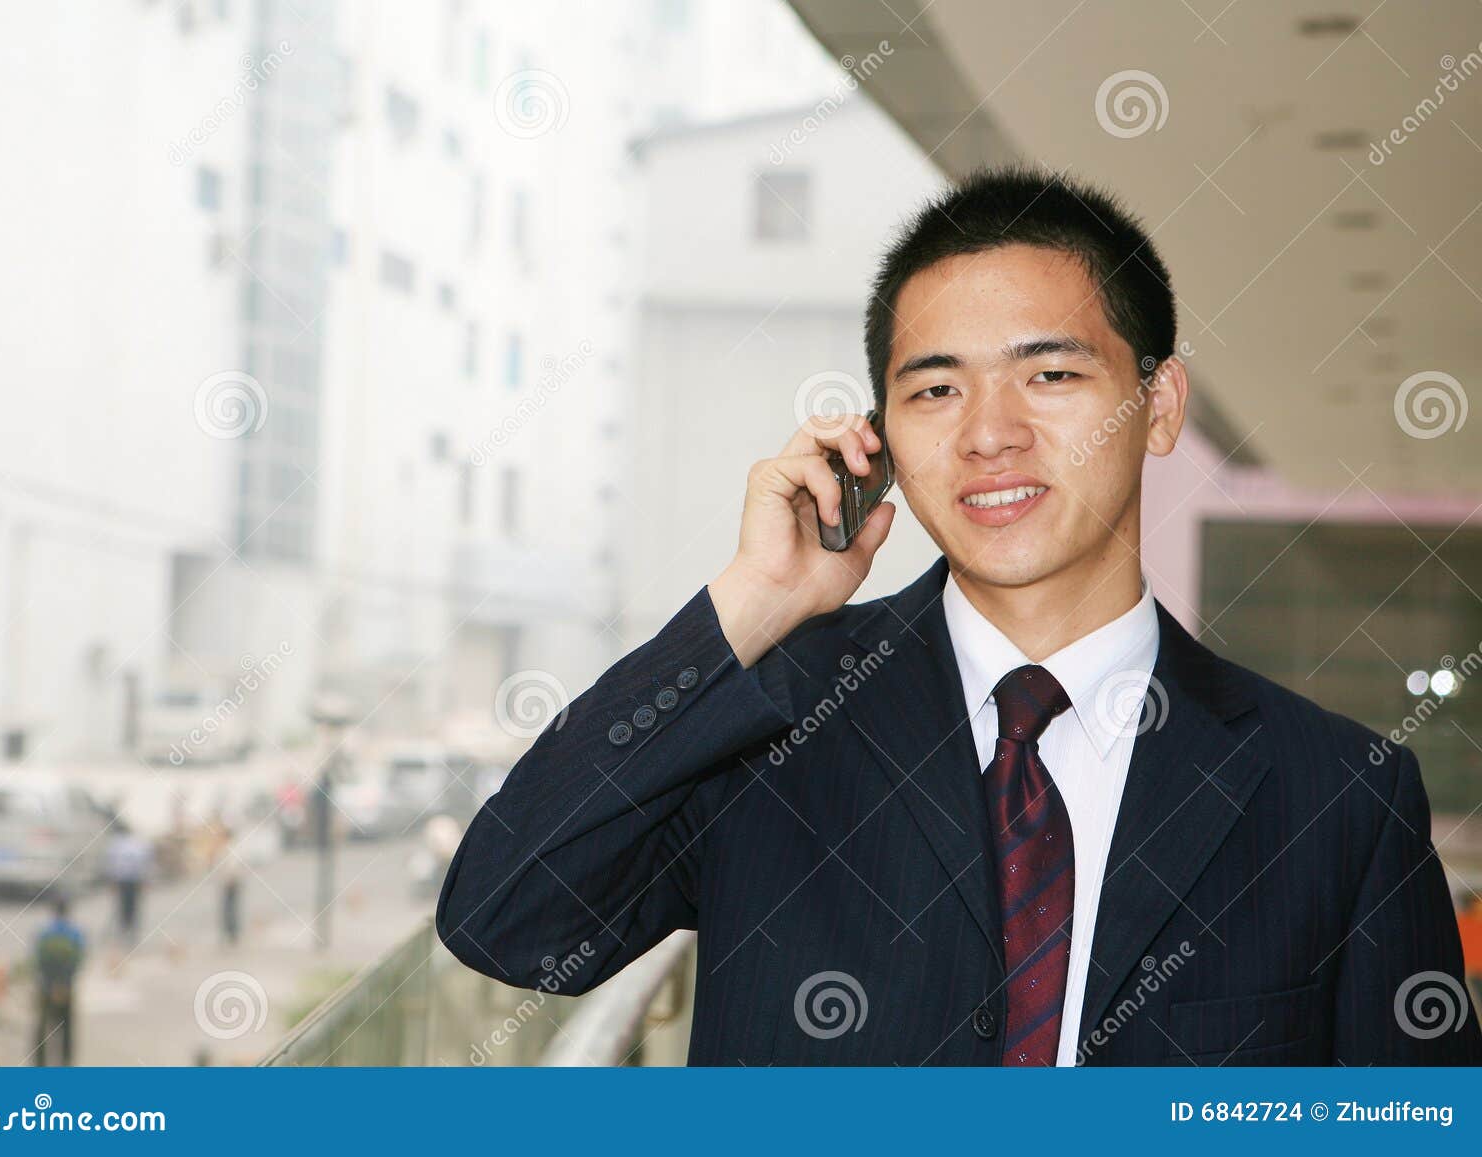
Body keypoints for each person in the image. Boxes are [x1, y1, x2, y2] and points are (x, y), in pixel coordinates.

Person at [436, 166, 1482, 1066]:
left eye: (1051, 373)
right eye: (935, 390)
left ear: (1157, 407)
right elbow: (508, 920)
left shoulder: (1338, 800)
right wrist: (751, 603)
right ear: (878, 432)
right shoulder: (773, 714)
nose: (990, 433)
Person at [32, 899, 84, 1066]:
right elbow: (78, 959)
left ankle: (39, 1062)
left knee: (42, 1026)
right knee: (66, 1026)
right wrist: (64, 981)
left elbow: (37, 959)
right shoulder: (74, 933)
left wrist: (49, 981)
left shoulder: (44, 933)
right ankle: (65, 1062)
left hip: (46, 985)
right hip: (66, 986)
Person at [102, 819, 152, 948]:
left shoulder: (115, 844)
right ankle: (130, 931)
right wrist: (145, 880)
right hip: (134, 879)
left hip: (123, 880)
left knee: (123, 906)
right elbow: (144, 863)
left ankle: (125, 930)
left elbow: (111, 865)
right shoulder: (137, 844)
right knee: (133, 906)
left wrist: (112, 882)